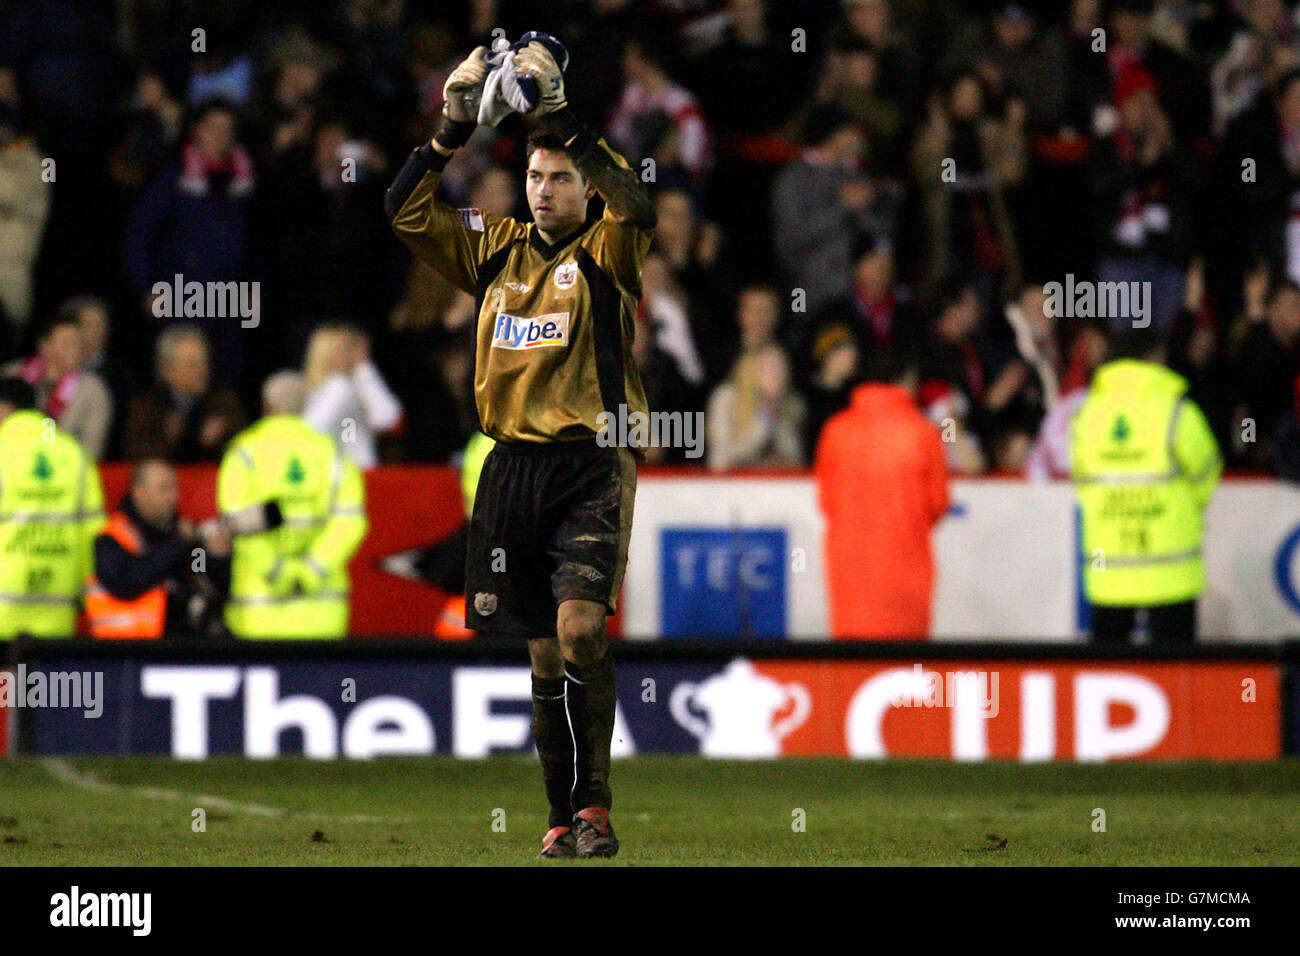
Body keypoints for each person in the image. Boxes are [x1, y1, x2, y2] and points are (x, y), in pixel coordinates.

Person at [386, 36, 656, 859]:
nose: (544, 192)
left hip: (590, 464)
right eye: (535, 178)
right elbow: (402, 210)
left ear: (584, 186)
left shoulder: (609, 249)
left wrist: (564, 117)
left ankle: (598, 806)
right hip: (512, 466)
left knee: (580, 630)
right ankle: (558, 813)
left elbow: (638, 204)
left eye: (560, 179)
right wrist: (451, 128)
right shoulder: (494, 248)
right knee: (542, 652)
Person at [1069, 327, 1222, 644]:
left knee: (1107, 679)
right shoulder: (1178, 413)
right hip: (1170, 569)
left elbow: (1083, 482)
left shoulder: (1087, 415)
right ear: (1155, 359)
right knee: (1175, 680)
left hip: (1109, 572)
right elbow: (1207, 472)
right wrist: (1181, 505)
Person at [217, 371, 368, 639]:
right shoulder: (333, 454)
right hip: (323, 613)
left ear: (267, 405)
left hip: (258, 615)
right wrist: (310, 570)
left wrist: (278, 573)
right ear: (306, 405)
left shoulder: (244, 454)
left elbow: (237, 526)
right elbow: (349, 523)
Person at [815, 350, 949, 639]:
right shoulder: (923, 433)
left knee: (852, 661)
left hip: (847, 563)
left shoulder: (836, 430)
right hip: (906, 562)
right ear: (905, 381)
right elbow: (938, 504)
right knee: (904, 667)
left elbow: (826, 501)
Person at [0, 377, 104, 639]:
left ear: (4, 409)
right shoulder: (74, 454)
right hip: (58, 614)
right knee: (49, 682)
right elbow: (94, 533)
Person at [86, 458, 232, 639]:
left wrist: (218, 557)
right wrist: (179, 543)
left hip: (178, 647)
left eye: (175, 488)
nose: (174, 497)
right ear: (139, 493)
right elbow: (126, 582)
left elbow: (201, 573)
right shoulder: (112, 538)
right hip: (123, 651)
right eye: (164, 489)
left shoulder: (182, 535)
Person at [122, 324, 247, 462]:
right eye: (192, 364)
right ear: (167, 370)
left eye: (204, 362)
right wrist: (167, 438)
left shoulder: (225, 402)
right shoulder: (146, 406)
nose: (201, 370)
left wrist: (220, 440)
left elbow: (243, 451)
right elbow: (132, 454)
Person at [4, 313, 114, 460]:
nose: (77, 349)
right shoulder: (13, 375)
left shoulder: (93, 391)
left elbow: (92, 448)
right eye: (68, 343)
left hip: (64, 470)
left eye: (80, 343)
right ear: (45, 346)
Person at [302, 323, 403, 469]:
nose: (351, 355)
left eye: (353, 348)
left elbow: (388, 419)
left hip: (353, 473)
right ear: (326, 353)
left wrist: (363, 368)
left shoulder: (352, 384)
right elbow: (313, 430)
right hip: (347, 475)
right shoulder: (338, 387)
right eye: (344, 349)